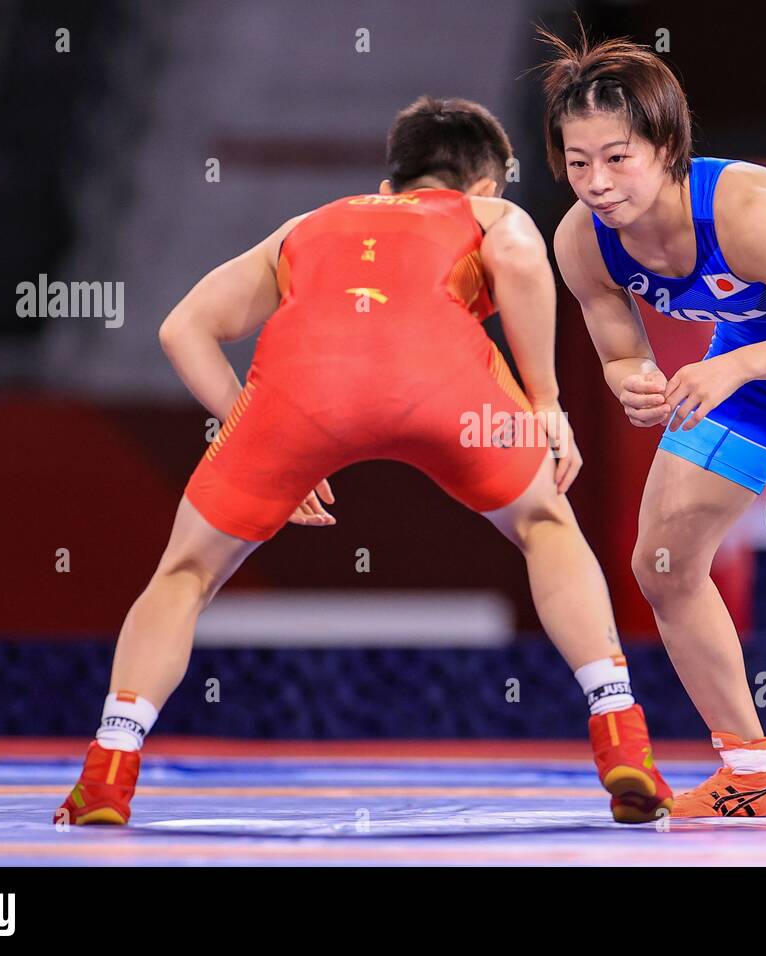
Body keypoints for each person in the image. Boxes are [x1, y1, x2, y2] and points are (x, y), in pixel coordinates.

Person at [57, 96, 672, 827]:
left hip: (298, 396)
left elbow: (182, 328)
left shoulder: (305, 227)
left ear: (389, 186)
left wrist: (246, 422)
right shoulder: (489, 217)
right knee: (545, 524)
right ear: (482, 187)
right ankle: (619, 733)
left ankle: (107, 772)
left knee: (184, 575)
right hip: (444, 387)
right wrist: (544, 401)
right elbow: (518, 256)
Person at [541, 30, 766, 821]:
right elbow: (618, 352)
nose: (598, 184)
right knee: (663, 565)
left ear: (668, 147)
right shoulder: (582, 240)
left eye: (618, 159)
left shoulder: (741, 209)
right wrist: (632, 384)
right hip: (753, 360)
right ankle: (749, 770)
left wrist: (733, 367)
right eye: (578, 164)